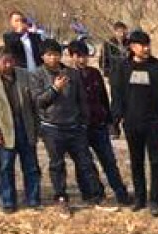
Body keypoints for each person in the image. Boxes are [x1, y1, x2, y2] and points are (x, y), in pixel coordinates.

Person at [29, 38, 105, 216]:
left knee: (85, 162)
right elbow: (39, 101)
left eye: (56, 54)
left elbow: (82, 100)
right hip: (52, 128)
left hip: (75, 126)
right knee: (57, 165)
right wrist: (55, 89)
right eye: (49, 55)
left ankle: (94, 196)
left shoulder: (72, 73)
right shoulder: (36, 75)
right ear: (42, 57)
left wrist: (84, 121)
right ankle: (61, 198)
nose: (53, 58)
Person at [111, 30, 158, 217]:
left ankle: (155, 199)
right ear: (132, 47)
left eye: (147, 44)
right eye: (141, 45)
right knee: (136, 161)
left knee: (155, 161)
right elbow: (117, 95)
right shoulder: (122, 68)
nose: (145, 48)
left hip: (154, 123)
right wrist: (116, 120)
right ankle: (140, 198)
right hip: (132, 122)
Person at [67, 39, 131, 208]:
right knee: (84, 163)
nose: (82, 60)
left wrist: (110, 120)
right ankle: (92, 194)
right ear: (72, 56)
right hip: (79, 127)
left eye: (85, 56)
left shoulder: (94, 73)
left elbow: (103, 97)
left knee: (109, 161)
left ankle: (121, 193)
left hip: (98, 124)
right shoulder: (67, 76)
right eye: (78, 56)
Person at [0, 46, 39, 211]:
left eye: (11, 61)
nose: (9, 65)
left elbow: (35, 102)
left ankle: (33, 199)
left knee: (31, 166)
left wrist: (36, 126)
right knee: (6, 167)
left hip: (25, 125)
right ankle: (8, 201)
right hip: (4, 128)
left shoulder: (24, 75)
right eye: (5, 62)